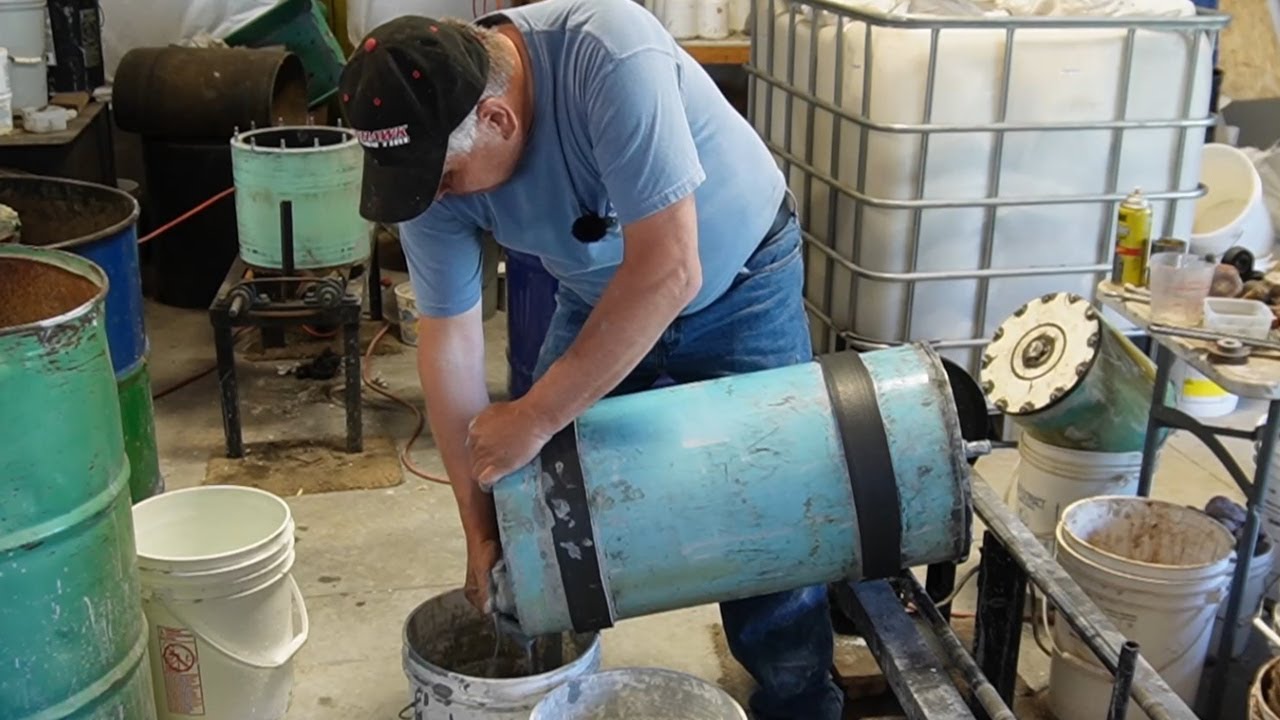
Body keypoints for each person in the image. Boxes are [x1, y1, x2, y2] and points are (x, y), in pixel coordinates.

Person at [338, 0, 843, 717]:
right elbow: (449, 338)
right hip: (597, 291)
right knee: (539, 508)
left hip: (740, 280)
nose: (436, 198)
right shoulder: (439, 156)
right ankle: (552, 687)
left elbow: (671, 270)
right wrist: (481, 529)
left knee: (768, 506)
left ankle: (799, 701)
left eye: (444, 179)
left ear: (499, 120)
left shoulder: (609, 54)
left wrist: (537, 414)